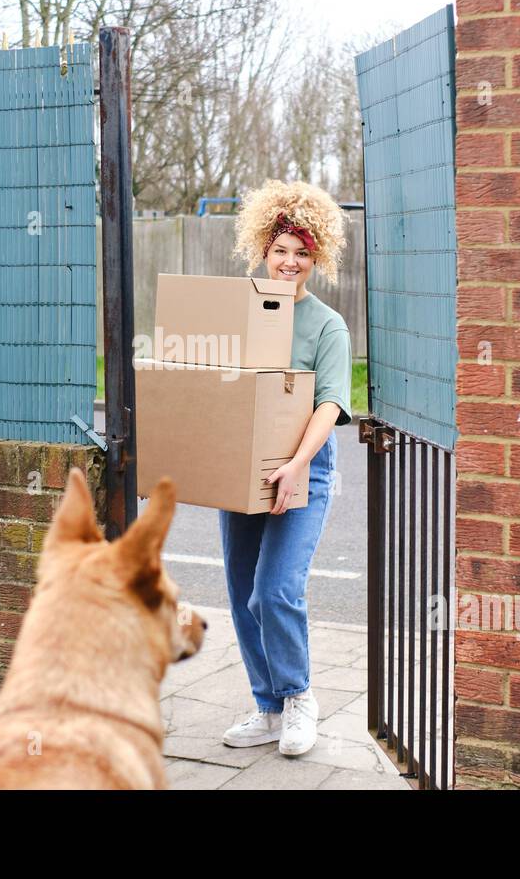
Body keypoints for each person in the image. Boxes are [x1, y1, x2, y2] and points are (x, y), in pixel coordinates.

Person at [218, 178, 352, 757]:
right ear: (263, 252)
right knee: (241, 589)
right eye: (280, 250)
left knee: (274, 591)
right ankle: (268, 708)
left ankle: (299, 698)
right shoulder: (242, 311)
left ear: (315, 257)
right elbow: (211, 381)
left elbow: (329, 403)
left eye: (302, 252)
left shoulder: (327, 326)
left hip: (306, 470)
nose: (290, 261)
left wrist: (297, 465)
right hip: (244, 467)